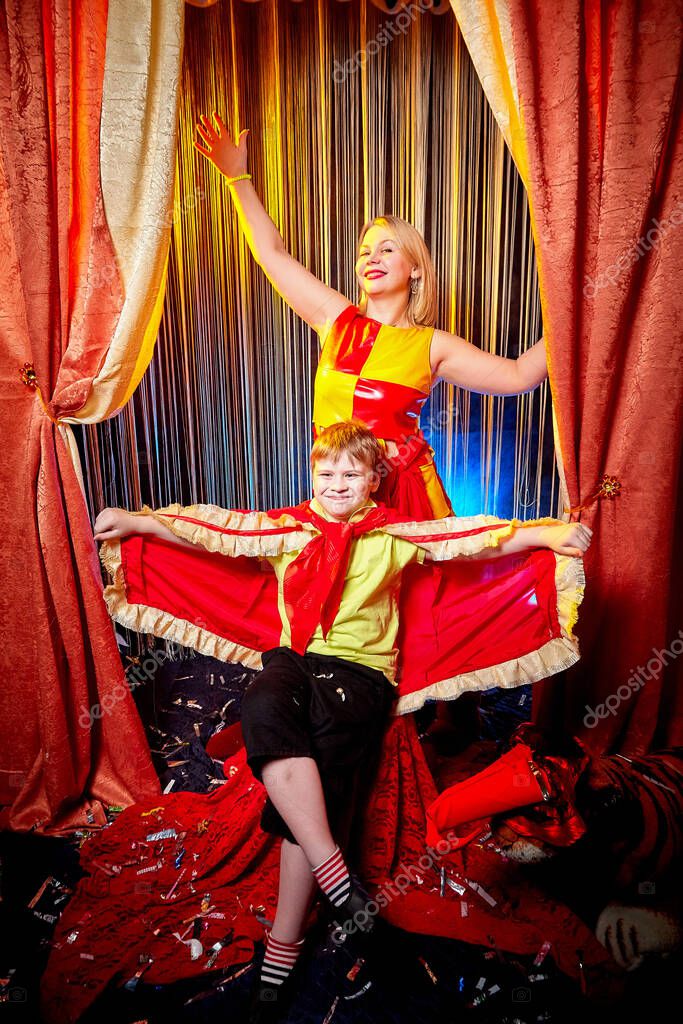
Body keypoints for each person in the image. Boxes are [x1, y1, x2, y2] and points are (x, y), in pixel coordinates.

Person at [94, 420, 592, 1021]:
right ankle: (338, 879)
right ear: (311, 475)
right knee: (262, 706)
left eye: (351, 474)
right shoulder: (288, 527)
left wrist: (547, 534)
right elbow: (217, 531)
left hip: (361, 676)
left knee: (323, 777)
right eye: (326, 473)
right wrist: (139, 523)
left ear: (374, 479)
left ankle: (283, 945)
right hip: (295, 661)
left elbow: (473, 540)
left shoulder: (395, 535)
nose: (337, 483)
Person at [193, 112, 550, 738]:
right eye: (364, 250)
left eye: (387, 248)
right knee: (334, 608)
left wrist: (577, 307)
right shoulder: (337, 321)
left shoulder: (431, 344)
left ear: (416, 267)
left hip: (404, 494)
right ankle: (334, 713)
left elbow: (521, 374)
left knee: (420, 609)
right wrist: (238, 178)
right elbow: (272, 255)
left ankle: (430, 721)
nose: (371, 257)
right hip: (339, 488)